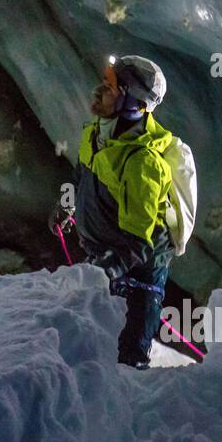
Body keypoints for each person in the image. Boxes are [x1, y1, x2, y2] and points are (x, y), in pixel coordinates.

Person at [51, 55, 182, 369]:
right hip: (104, 255)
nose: (98, 91)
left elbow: (139, 238)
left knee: (127, 358)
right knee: (92, 341)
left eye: (109, 88)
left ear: (132, 103)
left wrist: (108, 269)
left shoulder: (143, 164)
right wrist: (67, 204)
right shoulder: (96, 133)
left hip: (141, 272)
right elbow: (83, 175)